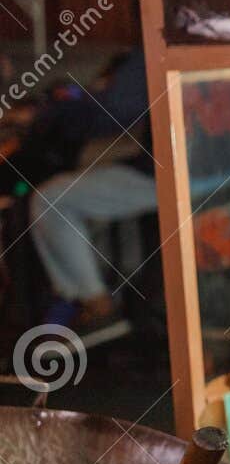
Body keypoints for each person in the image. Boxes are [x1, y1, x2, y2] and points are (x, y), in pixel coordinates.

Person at [28, 48, 157, 336]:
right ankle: (102, 299)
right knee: (99, 185)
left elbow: (111, 112)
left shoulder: (151, 47)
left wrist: (54, 112)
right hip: (217, 173)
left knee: (51, 200)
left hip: (173, 178)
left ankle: (97, 306)